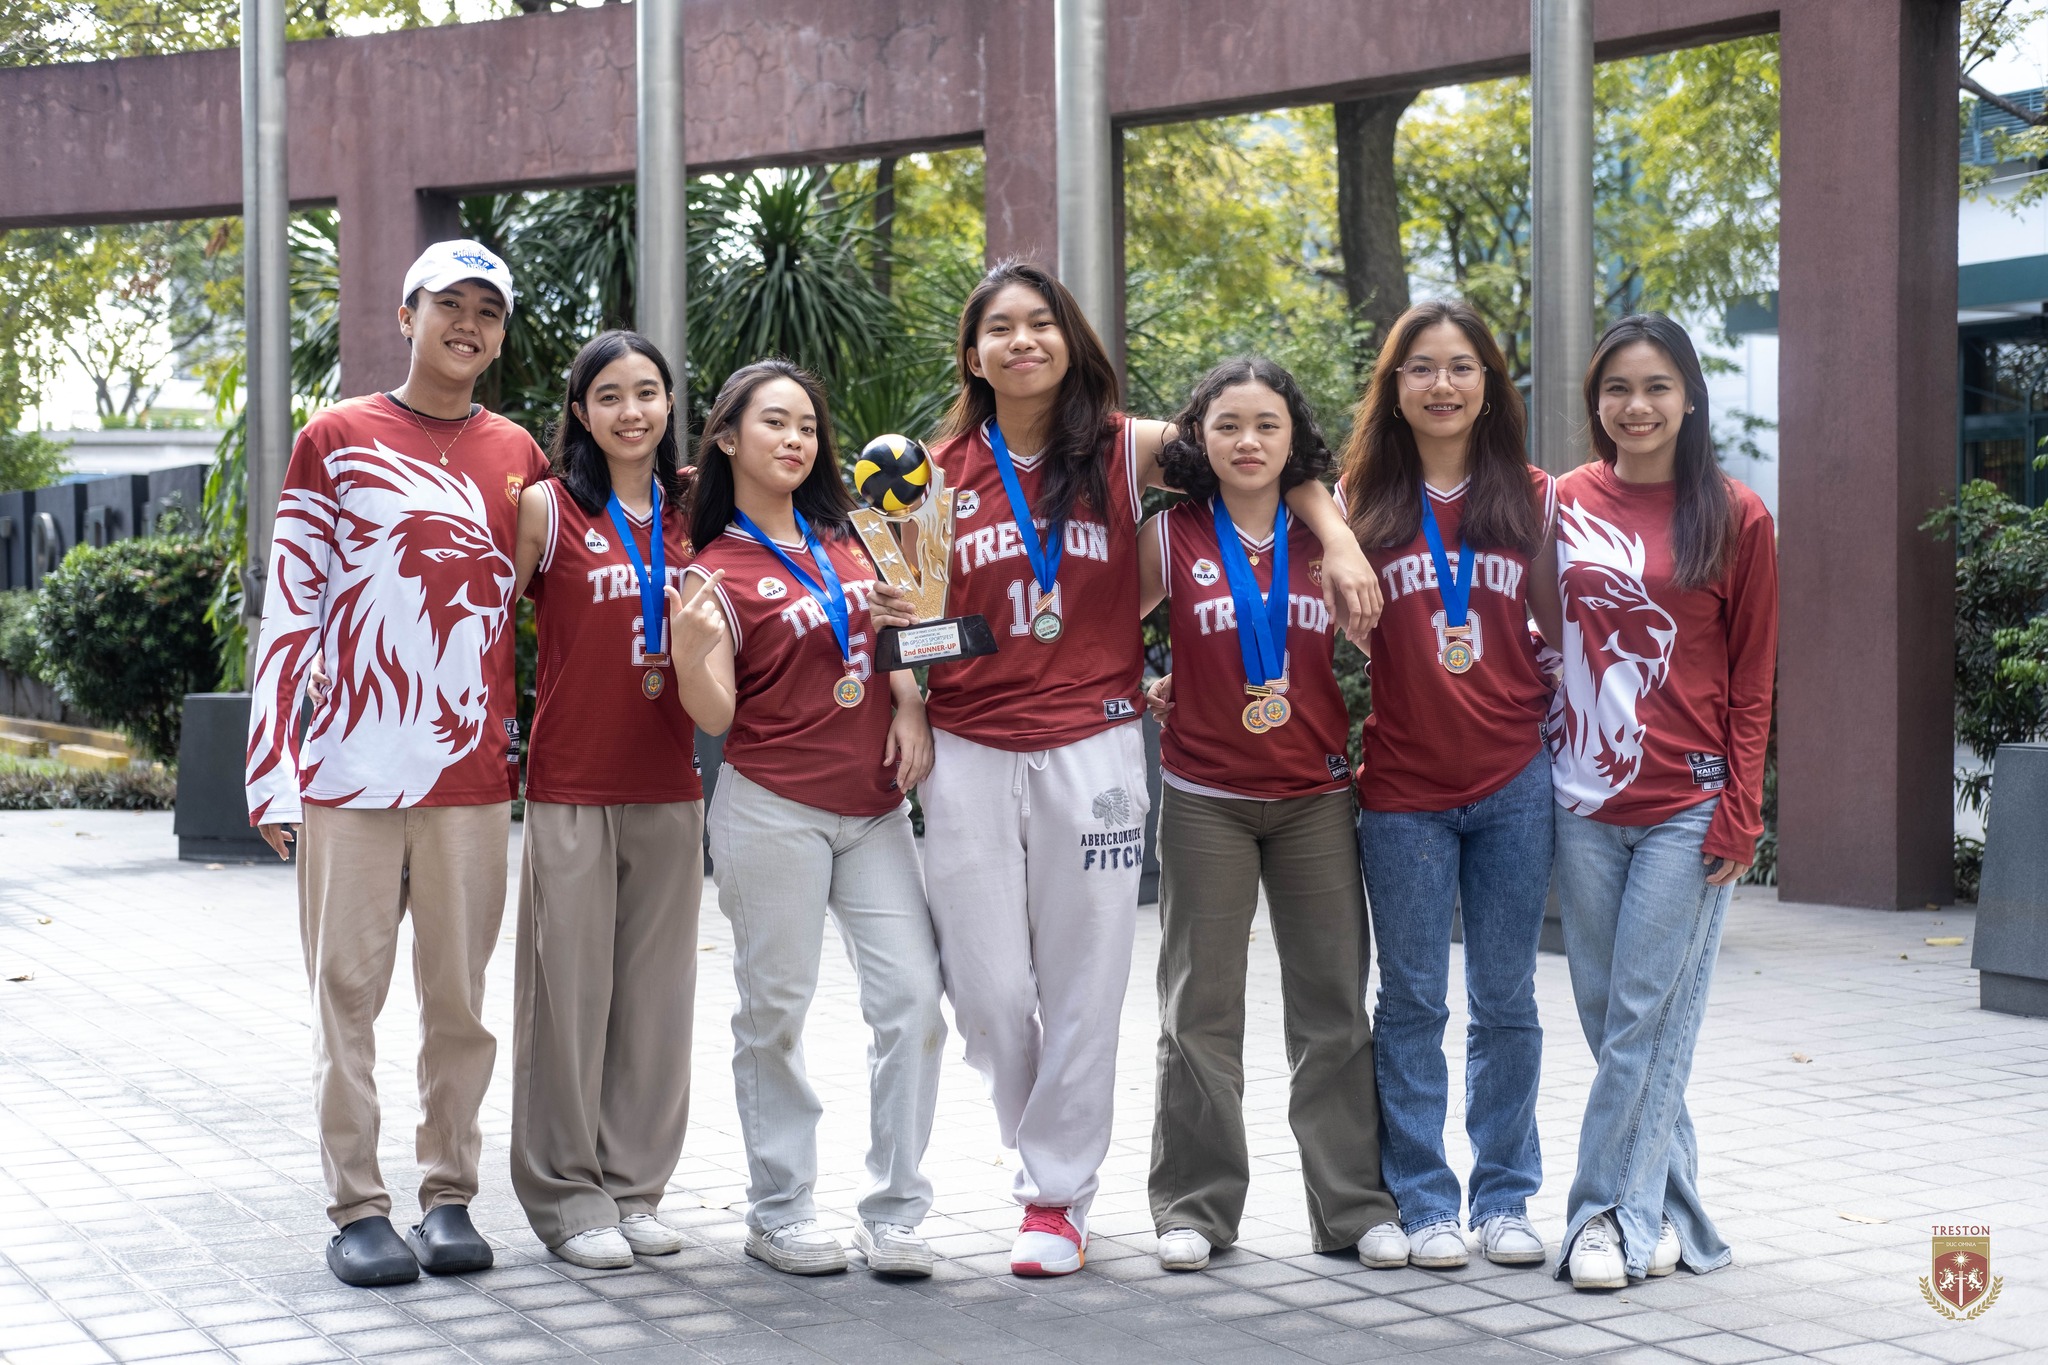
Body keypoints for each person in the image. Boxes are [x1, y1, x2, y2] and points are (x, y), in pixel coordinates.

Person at [871, 259, 1381, 1278]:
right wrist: (907, 702)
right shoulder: (927, 474)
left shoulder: (1123, 446)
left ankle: (1054, 1199)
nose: (1022, 340)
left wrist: (1335, 537)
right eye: (1000, 328)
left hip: (1095, 740)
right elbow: (904, 622)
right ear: (971, 354)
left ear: (1069, 341)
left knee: (1085, 981)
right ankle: (1048, 1155)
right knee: (982, 994)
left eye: (1041, 323)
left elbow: (1263, 447)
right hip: (969, 747)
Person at [245, 239, 544, 1287]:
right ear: (403, 314)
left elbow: (572, 582)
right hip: (349, 777)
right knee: (347, 995)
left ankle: (448, 1196)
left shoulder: (519, 454)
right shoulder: (335, 437)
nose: (468, 325)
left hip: (470, 777)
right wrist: (268, 768)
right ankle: (357, 1208)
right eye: (448, 304)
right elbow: (290, 604)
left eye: (488, 312)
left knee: (458, 1003)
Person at [671, 359, 947, 1279]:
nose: (796, 440)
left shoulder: (851, 534)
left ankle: (897, 1211)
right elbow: (714, 716)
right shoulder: (712, 569)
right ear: (726, 438)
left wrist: (909, 702)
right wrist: (693, 648)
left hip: (873, 811)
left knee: (911, 999)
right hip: (772, 811)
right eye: (774, 423)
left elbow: (896, 630)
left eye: (807, 427)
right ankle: (780, 1210)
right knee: (775, 1012)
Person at [1136, 358, 1399, 1272]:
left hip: (1316, 797)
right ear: (1198, 440)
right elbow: (1092, 636)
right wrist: (1150, 683)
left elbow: (1388, 647)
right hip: (1204, 797)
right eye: (1227, 425)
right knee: (1198, 1011)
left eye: (1267, 426)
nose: (1248, 442)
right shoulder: (1170, 535)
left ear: (1295, 441)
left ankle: (1354, 1207)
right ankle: (1194, 1208)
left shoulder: (1330, 536)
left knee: (1332, 1006)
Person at [1550, 314, 1777, 1290]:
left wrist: (1742, 804)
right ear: (1593, 402)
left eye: (1653, 388)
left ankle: (1602, 1221)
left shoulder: (1734, 515)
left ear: (1687, 399)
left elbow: (1754, 672)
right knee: (1609, 1020)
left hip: (1687, 798)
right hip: (1579, 795)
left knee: (1640, 1016)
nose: (1633, 407)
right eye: (1614, 389)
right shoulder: (1558, 503)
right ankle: (1677, 1208)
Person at [1339, 300, 1562, 1272]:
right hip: (1401, 792)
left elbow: (1569, 631)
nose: (1440, 384)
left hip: (1514, 780)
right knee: (1413, 1004)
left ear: (1488, 383)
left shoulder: (1533, 495)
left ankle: (1505, 1198)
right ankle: (1425, 1202)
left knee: (1507, 999)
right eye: (1420, 367)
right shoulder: (1355, 501)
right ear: (1393, 387)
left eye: (1460, 366)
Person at [504, 330, 703, 1270]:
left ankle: (634, 1188)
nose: (633, 411)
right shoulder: (549, 507)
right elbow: (485, 626)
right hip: (572, 782)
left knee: (656, 1001)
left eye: (649, 393)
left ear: (670, 406)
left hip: (670, 781)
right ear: (582, 412)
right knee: (568, 998)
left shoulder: (699, 509)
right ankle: (568, 1194)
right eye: (611, 395)